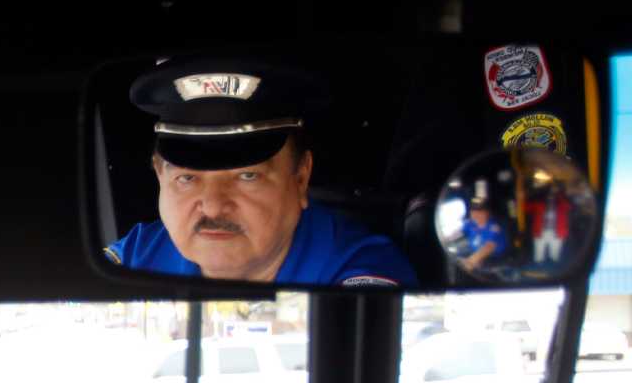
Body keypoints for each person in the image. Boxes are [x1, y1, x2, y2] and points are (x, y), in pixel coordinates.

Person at [104, 57, 418, 287]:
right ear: (160, 176)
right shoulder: (136, 254)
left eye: (247, 176)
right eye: (187, 178)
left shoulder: (358, 273)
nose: (213, 206)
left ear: (301, 178)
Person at [461, 196, 507, 270]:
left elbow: (489, 247)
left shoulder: (494, 227)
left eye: (480, 212)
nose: (476, 215)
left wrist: (471, 261)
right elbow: (460, 233)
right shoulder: (469, 223)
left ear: (487, 212)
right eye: (473, 211)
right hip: (474, 253)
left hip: (493, 259)